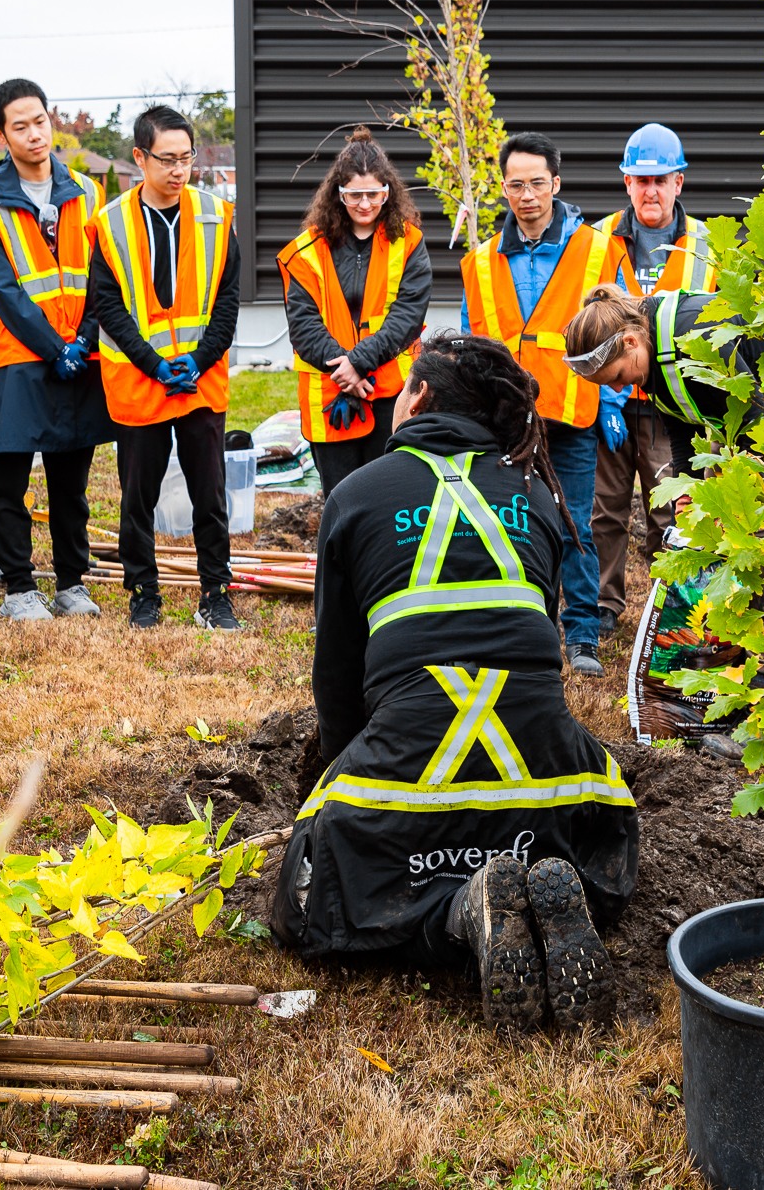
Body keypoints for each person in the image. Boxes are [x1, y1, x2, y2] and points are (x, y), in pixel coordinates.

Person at [271, 333, 639, 1032]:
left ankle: (457, 915)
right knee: (589, 829)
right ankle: (540, 896)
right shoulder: (535, 491)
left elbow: (337, 677)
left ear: (421, 398)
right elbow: (537, 655)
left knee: (306, 905)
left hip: (411, 756)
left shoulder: (357, 493)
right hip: (544, 772)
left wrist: (345, 775)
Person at [461, 132, 635, 678]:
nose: (528, 194)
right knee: (513, 524)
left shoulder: (599, 250)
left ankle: (581, 633)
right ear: (504, 189)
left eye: (538, 183)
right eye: (517, 184)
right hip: (508, 421)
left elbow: (626, 327)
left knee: (574, 523)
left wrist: (612, 396)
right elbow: (472, 341)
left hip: (575, 413)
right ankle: (526, 627)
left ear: (556, 184)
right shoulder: (482, 261)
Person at [89, 104, 241, 630]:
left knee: (210, 494)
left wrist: (199, 360)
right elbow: (107, 306)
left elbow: (227, 299)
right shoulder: (108, 224)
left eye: (187, 158)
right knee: (138, 497)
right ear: (139, 157)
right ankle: (143, 593)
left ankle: (215, 594)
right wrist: (154, 363)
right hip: (138, 382)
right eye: (168, 159)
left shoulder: (217, 216)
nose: (180, 170)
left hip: (200, 381)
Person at [0, 78, 113, 622]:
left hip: (80, 350)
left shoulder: (86, 192)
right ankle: (18, 588)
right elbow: (3, 289)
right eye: (20, 126)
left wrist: (83, 340)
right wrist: (54, 347)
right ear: (2, 135)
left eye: (41, 122)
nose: (35, 135)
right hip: (17, 355)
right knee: (8, 477)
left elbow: (102, 275)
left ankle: (72, 583)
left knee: (70, 478)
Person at [590, 124, 715, 638]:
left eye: (660, 180)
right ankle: (604, 606)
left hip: (675, 400)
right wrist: (602, 395)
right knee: (608, 510)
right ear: (626, 182)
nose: (650, 191)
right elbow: (587, 324)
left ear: (679, 183)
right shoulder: (599, 238)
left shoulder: (706, 243)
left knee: (671, 508)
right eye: (640, 180)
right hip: (615, 400)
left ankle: (675, 609)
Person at [277, 128, 431, 497]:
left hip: (392, 395)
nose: (365, 204)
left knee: (393, 500)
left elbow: (407, 316)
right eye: (354, 195)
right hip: (331, 396)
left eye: (375, 194)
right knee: (341, 501)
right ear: (338, 195)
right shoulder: (306, 251)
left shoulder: (408, 242)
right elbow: (303, 325)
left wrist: (359, 363)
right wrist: (346, 372)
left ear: (388, 192)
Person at [560, 283, 764, 475]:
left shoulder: (692, 337)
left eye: (617, 376)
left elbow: (756, 419)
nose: (617, 389)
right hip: (742, 428)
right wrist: (684, 493)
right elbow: (682, 428)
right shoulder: (650, 353)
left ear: (630, 342)